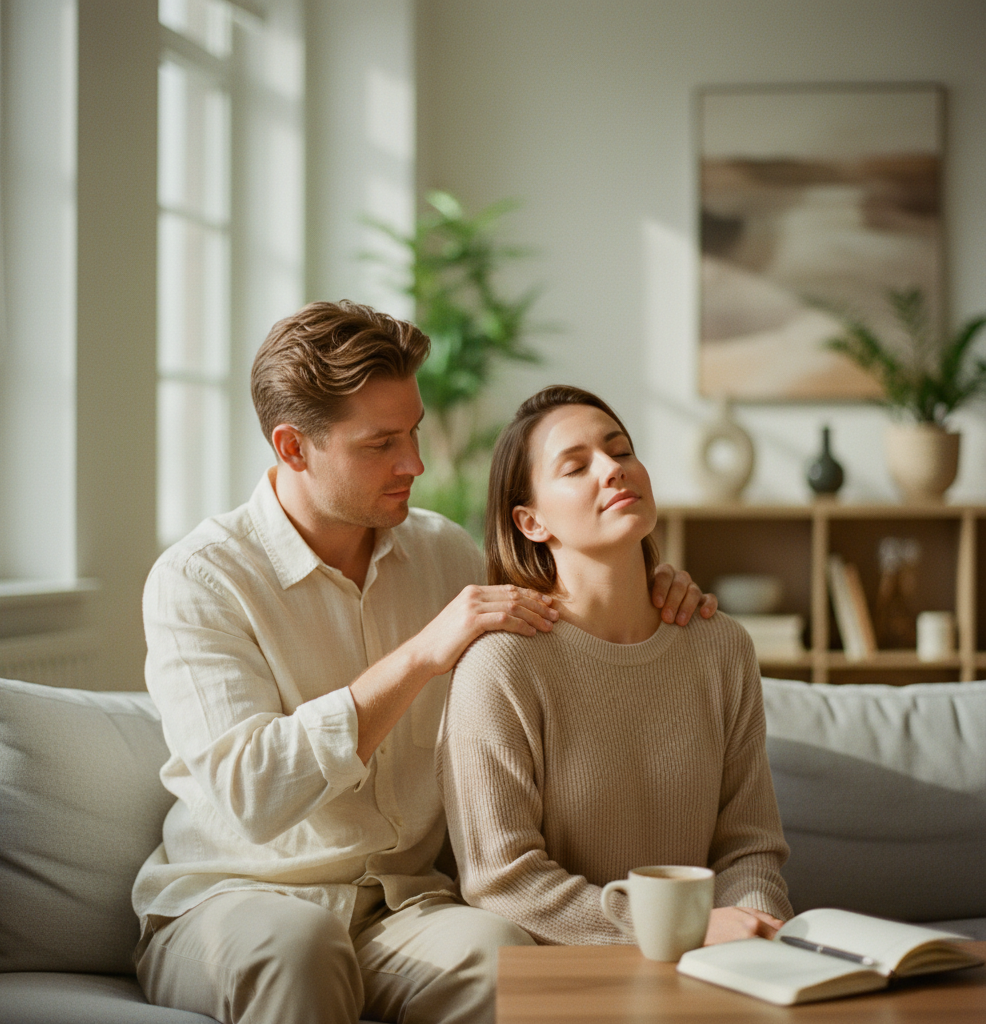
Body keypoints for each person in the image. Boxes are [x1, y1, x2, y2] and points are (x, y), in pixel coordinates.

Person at [132, 302, 716, 1024]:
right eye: (380, 445)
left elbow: (570, 605)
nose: (415, 463)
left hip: (406, 907)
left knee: (508, 958)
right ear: (292, 448)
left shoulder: (444, 554)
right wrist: (417, 658)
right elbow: (252, 795)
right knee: (298, 946)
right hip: (237, 900)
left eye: (412, 432)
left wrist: (657, 585)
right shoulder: (200, 580)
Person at [436, 384, 792, 949]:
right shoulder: (500, 665)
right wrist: (679, 930)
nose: (612, 469)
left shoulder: (721, 646)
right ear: (531, 522)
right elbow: (503, 881)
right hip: (573, 968)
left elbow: (748, 848)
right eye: (575, 467)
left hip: (720, 964)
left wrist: (754, 929)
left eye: (621, 450)